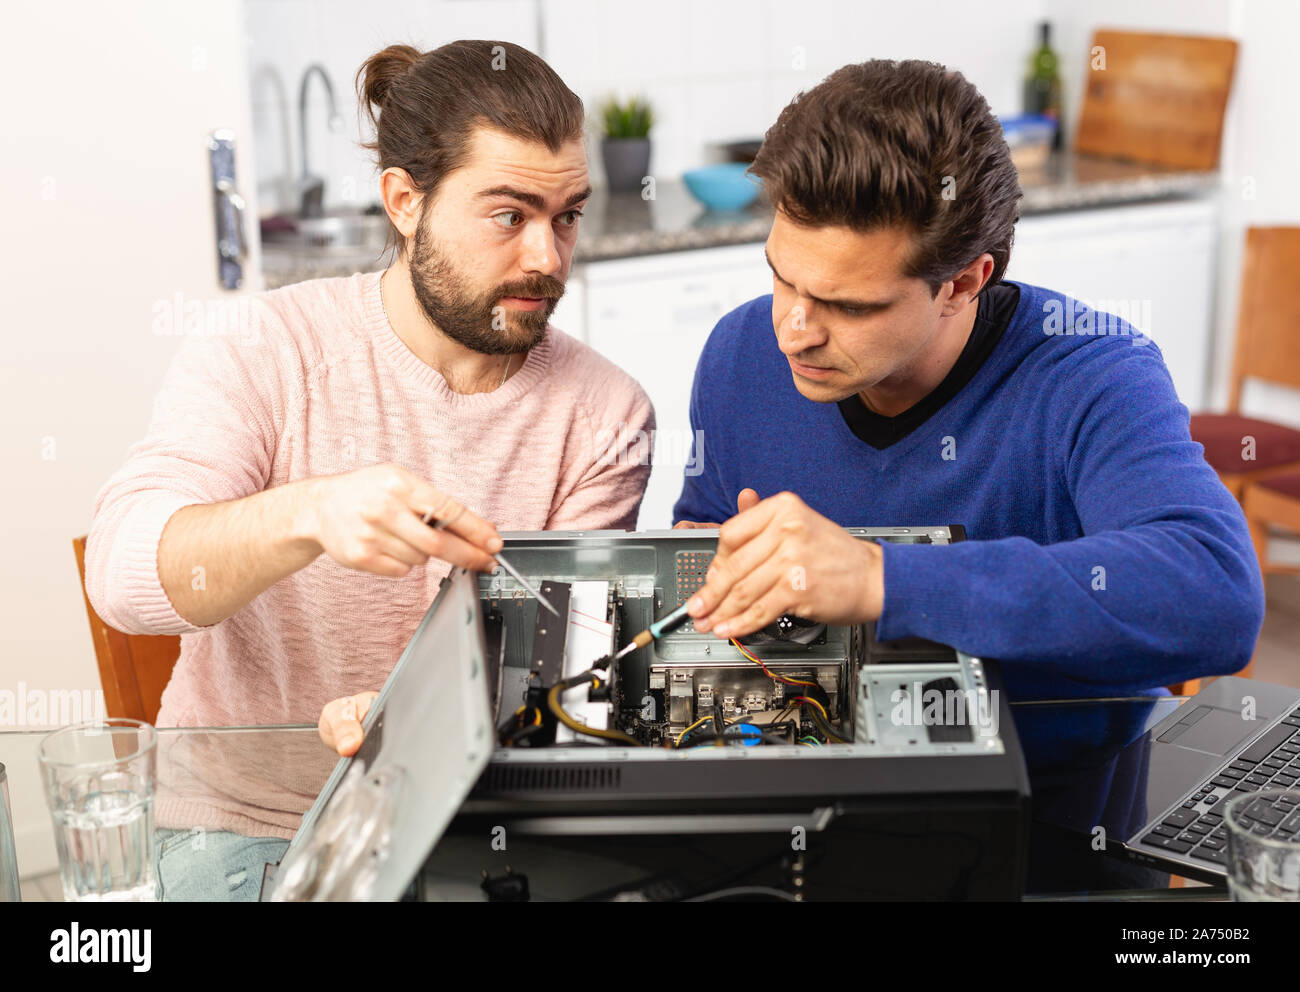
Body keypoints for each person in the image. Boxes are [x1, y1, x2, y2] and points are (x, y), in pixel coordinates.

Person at [84, 40, 652, 897]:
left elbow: (549, 686)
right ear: (404, 202)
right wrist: (308, 513)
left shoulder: (606, 416)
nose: (547, 257)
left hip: (473, 821)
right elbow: (122, 578)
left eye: (567, 215)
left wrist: (413, 721)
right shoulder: (268, 349)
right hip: (246, 826)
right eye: (509, 215)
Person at [675, 59, 1263, 698]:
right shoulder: (739, 352)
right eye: (783, 277)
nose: (793, 330)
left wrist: (878, 580)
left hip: (1043, 789)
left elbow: (1217, 594)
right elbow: (705, 533)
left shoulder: (1093, 374)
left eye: (849, 306)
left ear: (962, 284)